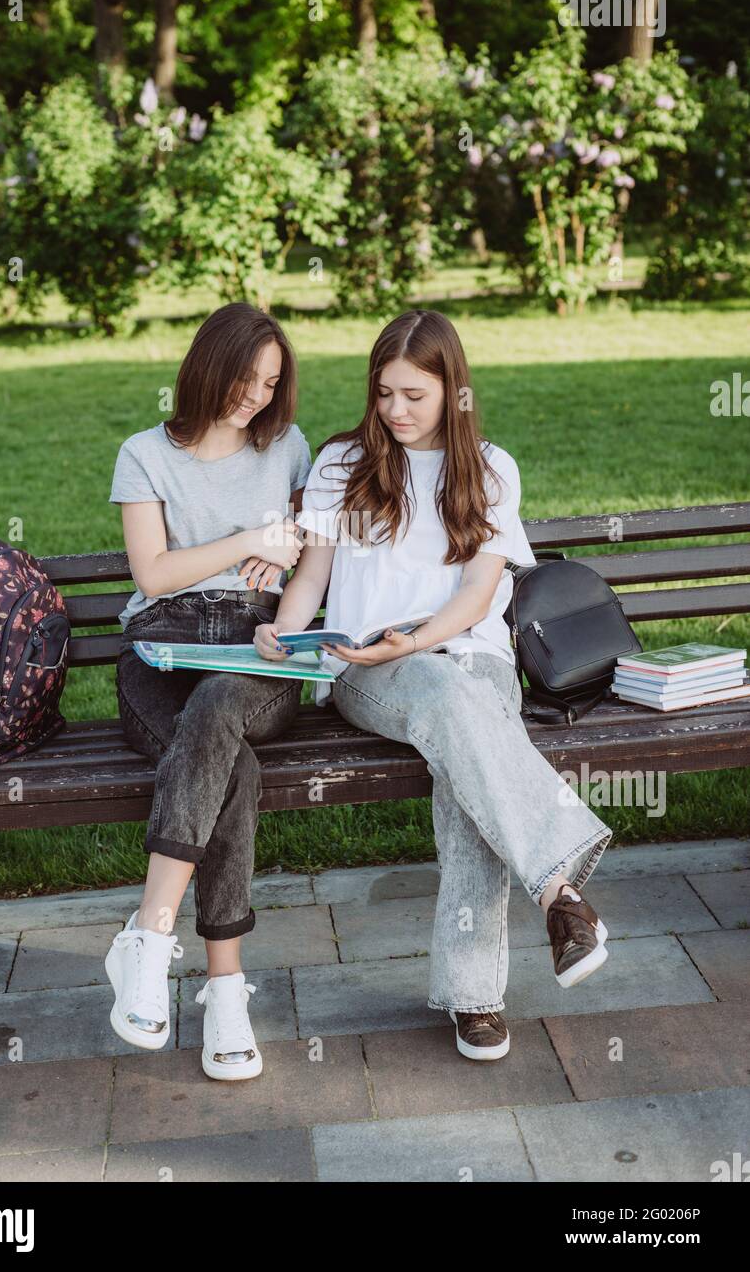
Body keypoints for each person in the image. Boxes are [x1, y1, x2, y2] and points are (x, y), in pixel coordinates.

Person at [255, 309, 613, 1061]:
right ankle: (560, 891)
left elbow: (478, 598)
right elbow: (312, 575)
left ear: (454, 391)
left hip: (467, 654)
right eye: (383, 393)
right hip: (368, 669)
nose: (395, 411)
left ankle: (475, 998)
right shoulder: (340, 463)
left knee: (465, 745)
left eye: (414, 395)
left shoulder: (489, 468)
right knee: (456, 708)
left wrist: (419, 636)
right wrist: (286, 634)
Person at [105, 302, 311, 1080]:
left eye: (270, 384)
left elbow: (309, 541)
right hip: (160, 651)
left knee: (222, 707)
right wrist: (248, 542)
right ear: (205, 365)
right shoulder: (144, 454)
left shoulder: (285, 447)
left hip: (253, 653)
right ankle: (225, 991)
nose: (255, 397)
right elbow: (153, 575)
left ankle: (150, 939)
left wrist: (283, 551)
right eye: (244, 378)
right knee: (232, 768)